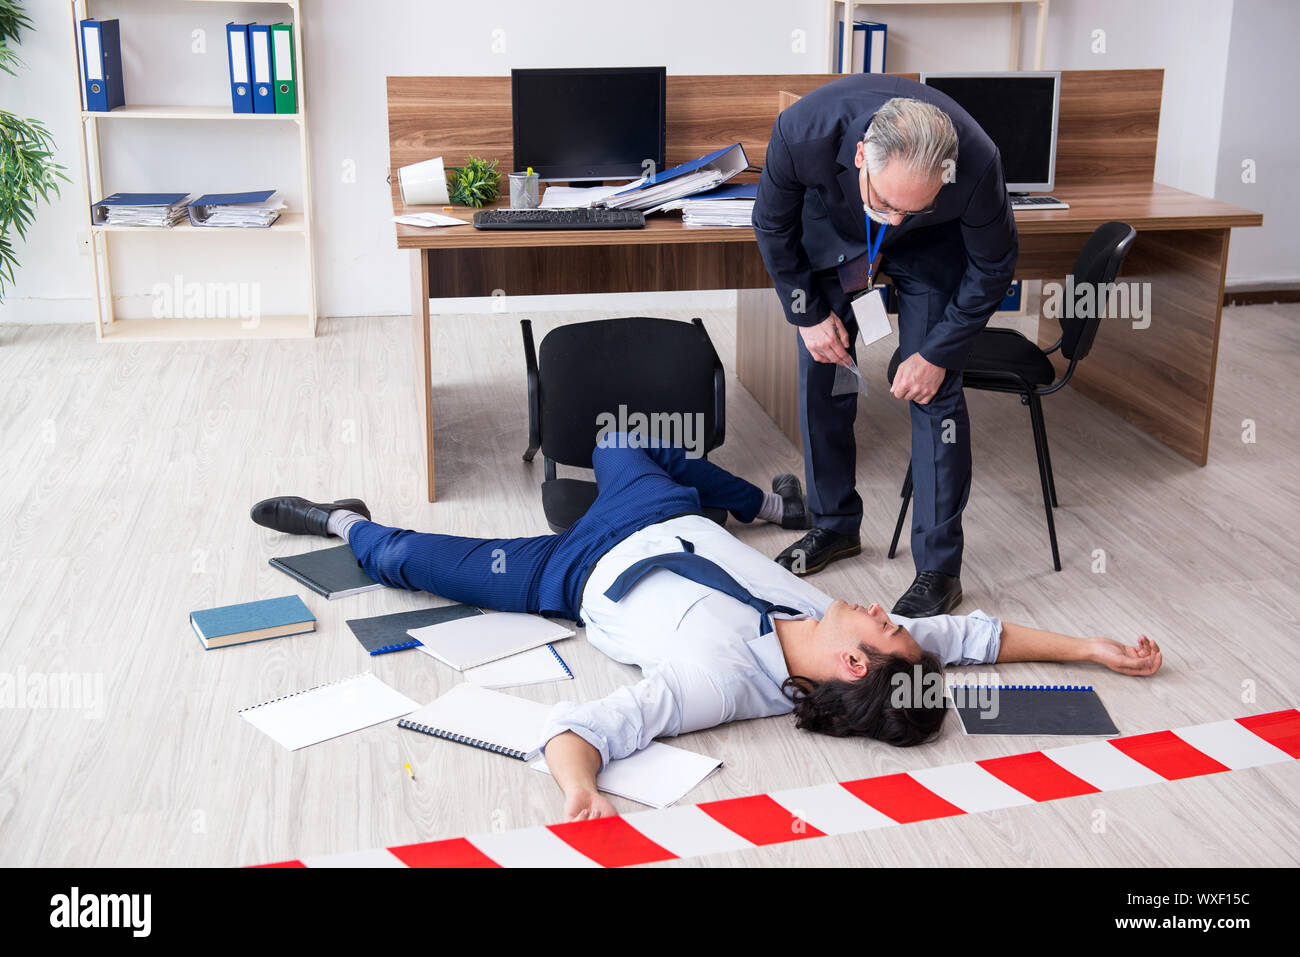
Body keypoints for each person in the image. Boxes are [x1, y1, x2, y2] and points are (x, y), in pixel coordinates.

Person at [250, 438, 1161, 822]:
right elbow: (977, 638)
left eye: (885, 628)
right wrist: (1092, 650)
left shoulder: (723, 684)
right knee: (618, 436)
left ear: (855, 661)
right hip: (660, 513)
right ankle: (760, 500)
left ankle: (339, 520)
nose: (889, 609)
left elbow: (586, 729)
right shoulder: (835, 628)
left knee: (414, 559)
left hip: (571, 574)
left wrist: (580, 796)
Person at [753, 76, 1019, 618]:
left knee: (934, 391)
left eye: (910, 207)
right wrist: (806, 314)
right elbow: (772, 225)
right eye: (888, 201)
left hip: (933, 249)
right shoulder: (803, 130)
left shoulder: (976, 162)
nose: (894, 219)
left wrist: (938, 352)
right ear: (859, 157)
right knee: (822, 369)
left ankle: (939, 570)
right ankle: (833, 525)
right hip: (836, 230)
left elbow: (994, 266)